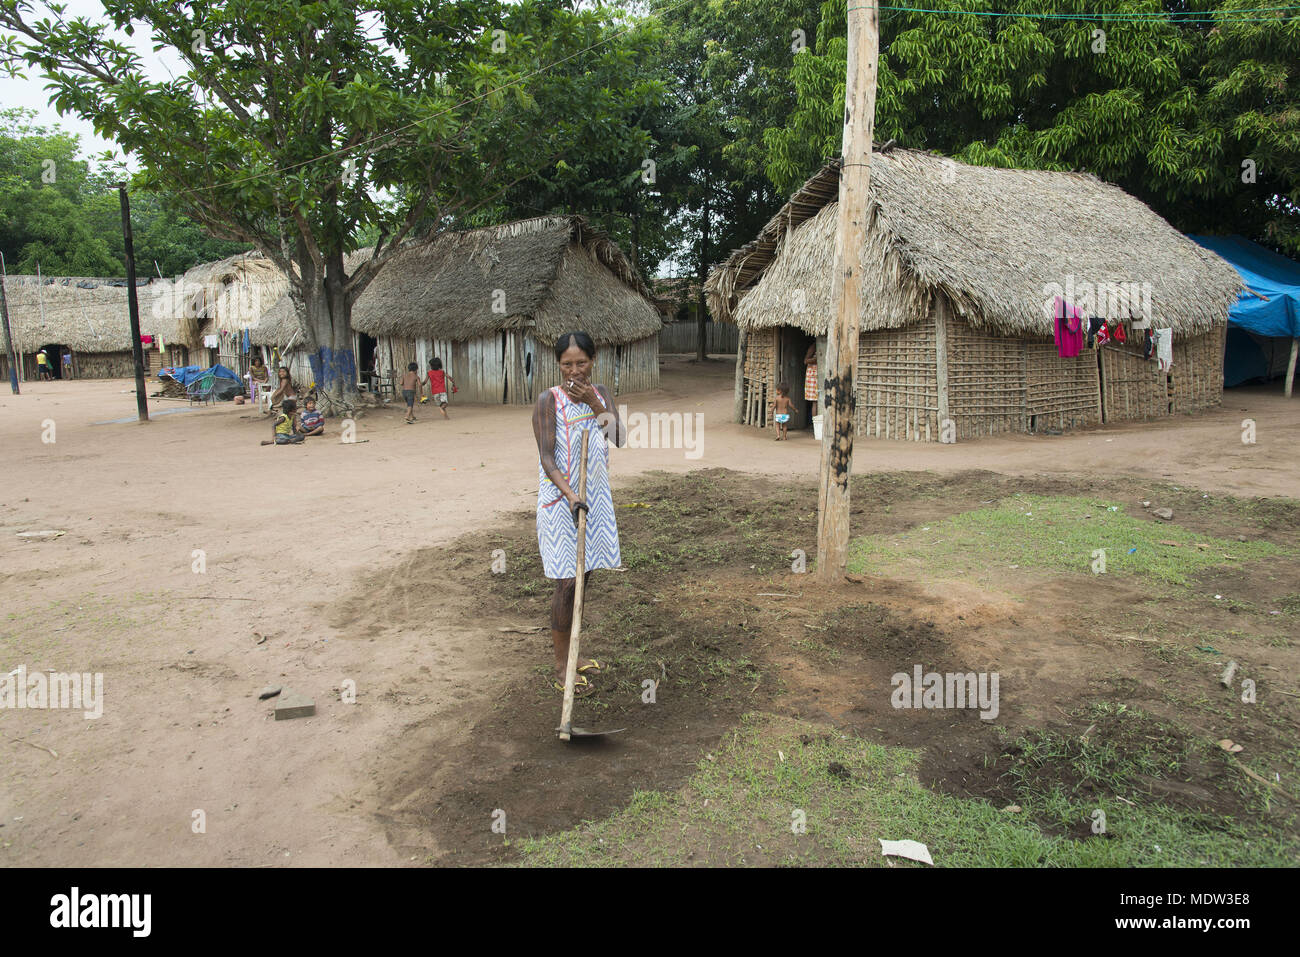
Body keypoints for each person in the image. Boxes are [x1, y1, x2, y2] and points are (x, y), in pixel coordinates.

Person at [532, 331, 625, 695]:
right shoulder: (547, 400)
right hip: (561, 503)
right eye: (566, 365)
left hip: (596, 501)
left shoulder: (600, 393)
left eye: (581, 363)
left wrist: (593, 403)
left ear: (593, 360)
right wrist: (570, 494)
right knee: (566, 584)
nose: (574, 371)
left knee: (584, 580)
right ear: (558, 365)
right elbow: (547, 456)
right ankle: (560, 666)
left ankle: (575, 654)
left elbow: (618, 436)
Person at [803, 342, 818, 412]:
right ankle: (816, 423)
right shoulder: (814, 346)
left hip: (820, 374)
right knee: (815, 401)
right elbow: (805, 361)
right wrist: (816, 360)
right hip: (813, 376)